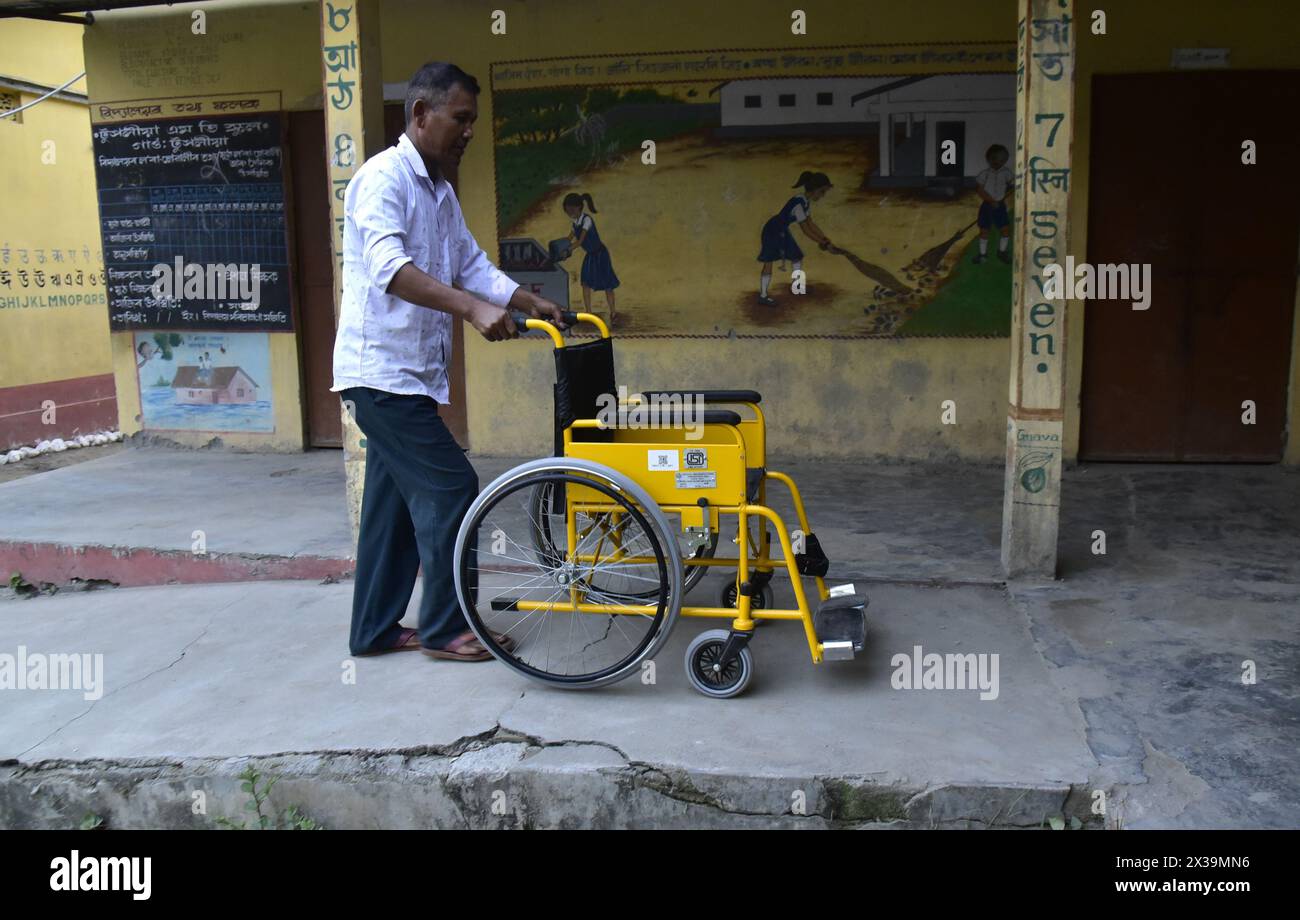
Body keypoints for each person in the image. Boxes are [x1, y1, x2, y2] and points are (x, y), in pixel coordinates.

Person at [332, 62, 565, 661]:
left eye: (473, 122)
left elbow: (470, 264)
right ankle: (444, 627)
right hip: (379, 375)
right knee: (452, 485)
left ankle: (375, 630)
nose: (468, 132)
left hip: (409, 379)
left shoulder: (438, 190)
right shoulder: (383, 180)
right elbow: (389, 269)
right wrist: (470, 310)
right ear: (420, 114)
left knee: (390, 509)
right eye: (460, 119)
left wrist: (524, 298)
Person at [756, 171, 835, 306]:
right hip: (772, 230)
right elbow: (805, 229)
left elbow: (811, 224)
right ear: (814, 189)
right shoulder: (798, 204)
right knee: (768, 261)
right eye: (822, 192)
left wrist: (824, 238)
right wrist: (822, 242)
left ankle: (797, 288)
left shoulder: (805, 202)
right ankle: (763, 296)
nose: (822, 196)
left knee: (796, 257)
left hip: (782, 230)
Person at [562, 192, 620, 324]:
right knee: (586, 284)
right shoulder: (574, 222)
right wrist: (560, 248)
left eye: (572, 209)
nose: (570, 212)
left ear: (579, 207)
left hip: (600, 254)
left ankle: (613, 313)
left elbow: (580, 241)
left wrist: (568, 250)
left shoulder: (586, 220)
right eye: (567, 210)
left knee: (608, 284)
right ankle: (589, 314)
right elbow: (568, 239)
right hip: (591, 256)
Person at [973, 144, 1013, 264]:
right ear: (989, 159)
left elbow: (1011, 186)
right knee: (984, 230)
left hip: (1000, 207)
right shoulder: (985, 174)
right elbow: (980, 190)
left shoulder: (1006, 173)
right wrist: (991, 201)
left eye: (1001, 160)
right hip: (987, 206)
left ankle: (1002, 252)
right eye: (994, 159)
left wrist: (1007, 192)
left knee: (1005, 229)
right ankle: (982, 255)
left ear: (1005, 160)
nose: (997, 162)